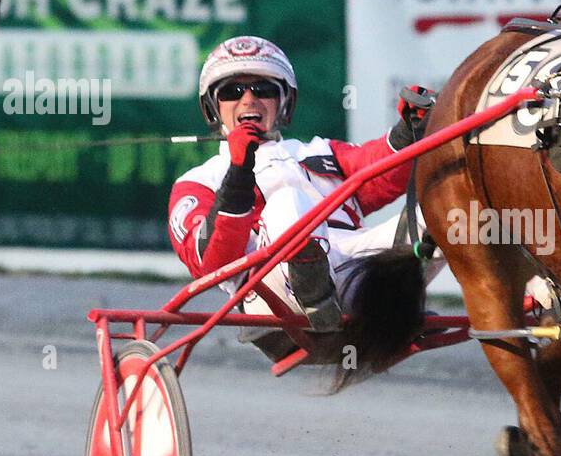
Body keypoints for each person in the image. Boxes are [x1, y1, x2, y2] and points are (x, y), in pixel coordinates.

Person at [167, 35, 432, 351]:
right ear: (213, 107)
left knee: (450, 211)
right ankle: (317, 303)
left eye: (264, 90)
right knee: (288, 202)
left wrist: (410, 131)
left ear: (284, 103)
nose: (249, 99)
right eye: (232, 91)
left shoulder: (320, 150)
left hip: (358, 275)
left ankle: (496, 312)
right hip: (273, 297)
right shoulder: (198, 181)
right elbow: (210, 265)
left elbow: (379, 171)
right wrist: (237, 178)